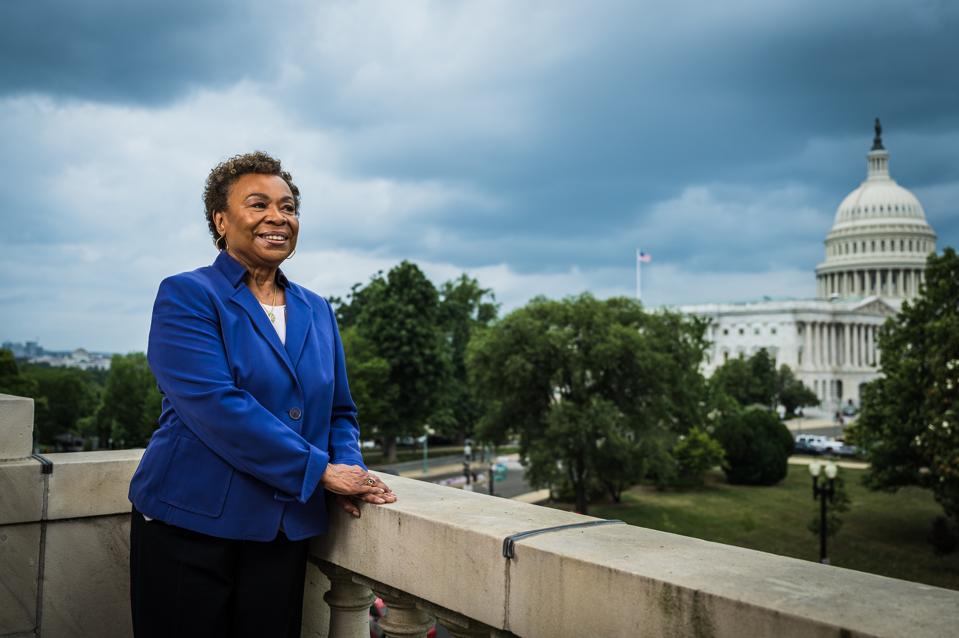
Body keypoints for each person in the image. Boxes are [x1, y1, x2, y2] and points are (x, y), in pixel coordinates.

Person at [127, 151, 396, 638]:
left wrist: (351, 469)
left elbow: (339, 411)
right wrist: (320, 472)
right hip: (191, 526)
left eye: (289, 206)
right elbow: (216, 407)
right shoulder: (187, 295)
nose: (278, 217)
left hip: (283, 530)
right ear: (221, 220)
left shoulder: (317, 309)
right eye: (258, 205)